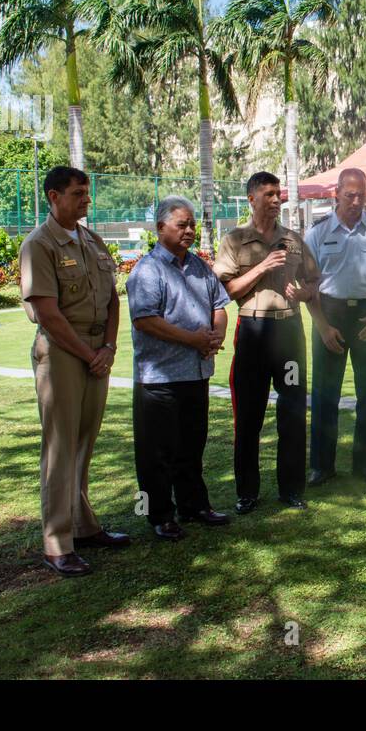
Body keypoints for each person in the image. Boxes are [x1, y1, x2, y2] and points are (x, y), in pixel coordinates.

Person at [20, 166, 130, 577]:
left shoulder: (91, 239)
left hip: (95, 351)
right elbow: (47, 312)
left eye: (87, 192)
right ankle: (56, 543)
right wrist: (89, 353)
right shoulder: (40, 244)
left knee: (84, 442)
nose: (86, 199)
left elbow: (113, 302)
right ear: (54, 196)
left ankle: (83, 526)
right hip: (65, 353)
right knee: (60, 447)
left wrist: (108, 347)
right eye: (78, 193)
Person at [126, 197, 232, 541]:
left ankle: (194, 505)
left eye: (191, 225)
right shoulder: (148, 270)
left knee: (191, 446)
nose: (188, 231)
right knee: (158, 453)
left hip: (196, 373)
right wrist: (192, 339)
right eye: (181, 225)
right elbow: (145, 321)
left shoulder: (200, 267)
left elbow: (219, 304)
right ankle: (159, 515)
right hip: (160, 379)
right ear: (160, 228)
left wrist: (216, 335)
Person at [215, 171, 320, 513]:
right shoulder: (234, 241)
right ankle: (247, 493)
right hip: (254, 333)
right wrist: (262, 268)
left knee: (291, 411)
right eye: (269, 194)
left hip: (288, 335)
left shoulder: (293, 239)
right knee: (249, 414)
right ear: (252, 198)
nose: (277, 200)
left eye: (279, 194)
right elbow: (227, 290)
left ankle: (291, 490)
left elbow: (314, 282)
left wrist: (303, 292)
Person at [305, 168, 366, 486]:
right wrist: (322, 326)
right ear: (336, 193)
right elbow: (308, 286)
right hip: (329, 313)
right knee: (324, 394)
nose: (357, 201)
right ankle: (322, 466)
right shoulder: (318, 231)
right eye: (350, 195)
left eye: (362, 194)